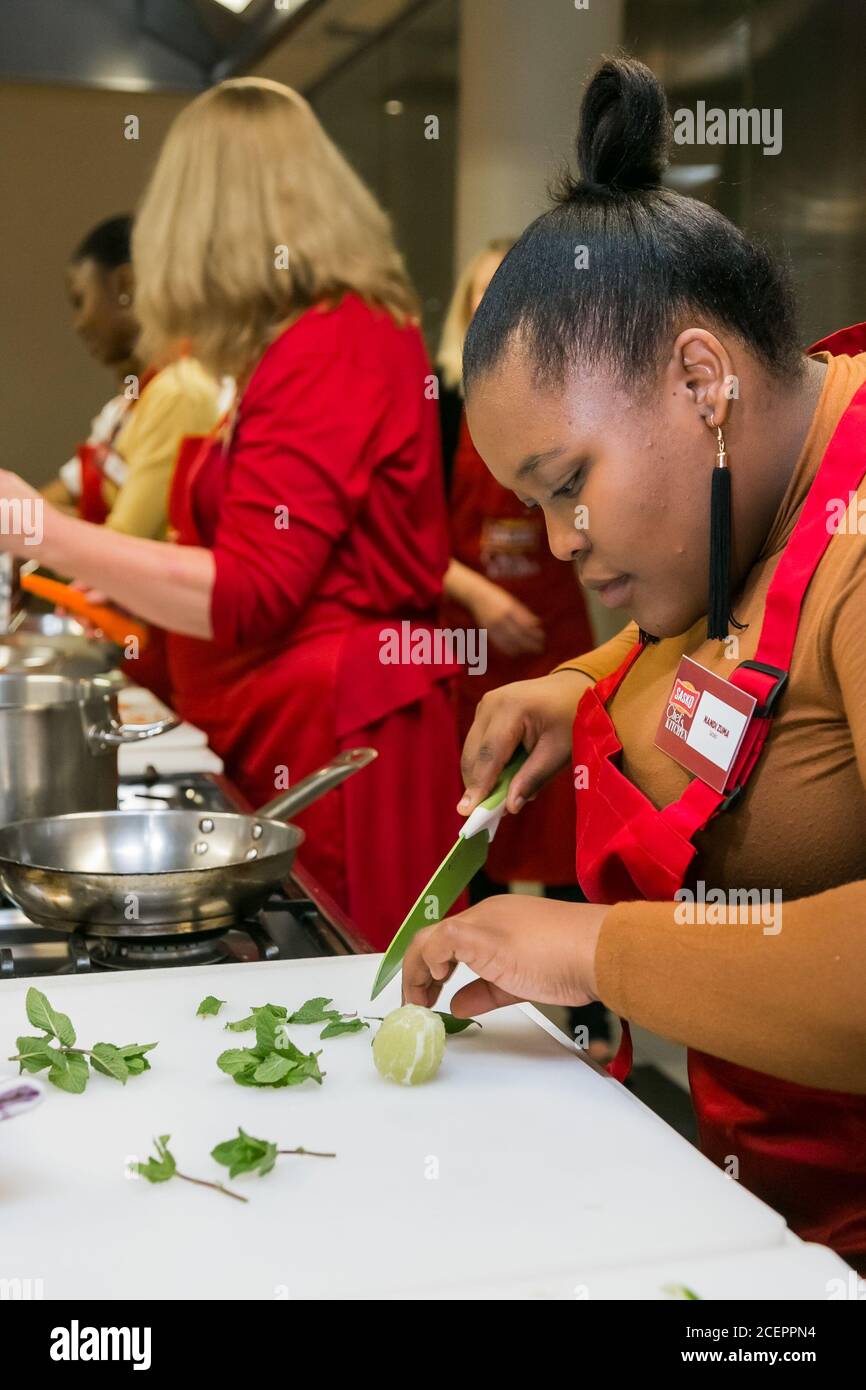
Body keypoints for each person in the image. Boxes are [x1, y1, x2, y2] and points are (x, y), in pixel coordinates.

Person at [401, 58, 866, 1270]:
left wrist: (581, 947)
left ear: (701, 380)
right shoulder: (759, 467)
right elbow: (755, 607)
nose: (557, 544)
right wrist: (589, 677)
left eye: (568, 486)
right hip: (770, 1210)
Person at [0, 79, 461, 949]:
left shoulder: (335, 341)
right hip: (302, 726)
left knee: (350, 996)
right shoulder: (306, 341)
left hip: (345, 740)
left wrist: (42, 531)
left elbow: (251, 589)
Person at [438, 240, 608, 1056]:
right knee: (485, 812)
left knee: (570, 801)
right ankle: (487, 992)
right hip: (473, 644)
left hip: (556, 636)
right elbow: (411, 542)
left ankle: (587, 1000)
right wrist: (477, 595)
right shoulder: (441, 411)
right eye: (480, 299)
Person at [46, 215, 220, 539]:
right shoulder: (126, 406)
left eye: (79, 300)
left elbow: (122, 545)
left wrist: (23, 523)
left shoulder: (180, 393)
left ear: (125, 286)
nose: (78, 324)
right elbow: (68, 496)